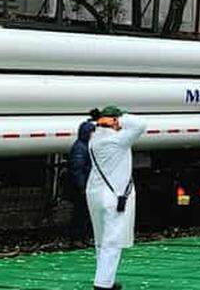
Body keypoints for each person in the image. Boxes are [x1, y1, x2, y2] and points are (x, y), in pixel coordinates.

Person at [86, 106, 146, 290]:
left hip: (95, 194)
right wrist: (121, 118)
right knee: (112, 242)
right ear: (113, 121)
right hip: (113, 197)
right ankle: (103, 284)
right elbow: (141, 124)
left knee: (101, 240)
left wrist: (107, 119)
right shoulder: (118, 140)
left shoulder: (95, 139)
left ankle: (104, 279)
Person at [67, 114, 97, 244]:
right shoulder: (82, 147)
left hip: (85, 184)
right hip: (83, 186)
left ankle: (82, 237)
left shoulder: (82, 146)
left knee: (84, 213)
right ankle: (78, 238)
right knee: (81, 213)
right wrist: (82, 186)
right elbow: (77, 168)